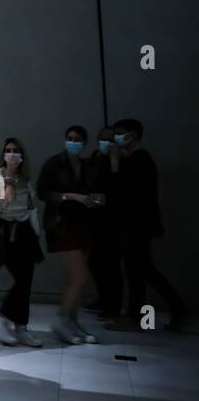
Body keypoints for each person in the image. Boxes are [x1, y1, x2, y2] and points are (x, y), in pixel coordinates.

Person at [106, 118, 187, 332]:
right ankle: (140, 317)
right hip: (135, 225)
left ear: (132, 134)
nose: (116, 137)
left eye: (120, 133)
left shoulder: (139, 160)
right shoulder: (136, 160)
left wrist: (115, 165)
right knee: (139, 272)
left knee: (140, 271)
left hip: (135, 225)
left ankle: (173, 310)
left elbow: (124, 193)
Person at [37, 125, 102, 345]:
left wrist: (92, 200)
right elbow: (43, 192)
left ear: (84, 143)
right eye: (70, 138)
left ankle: (72, 321)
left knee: (77, 278)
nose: (73, 142)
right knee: (80, 274)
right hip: (61, 225)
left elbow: (94, 189)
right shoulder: (54, 164)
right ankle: (62, 320)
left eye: (77, 139)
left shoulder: (88, 165)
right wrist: (71, 196)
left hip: (84, 224)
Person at [0, 138, 44, 347]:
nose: (12, 154)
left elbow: (32, 204)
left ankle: (21, 328)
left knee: (27, 281)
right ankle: (1, 317)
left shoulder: (25, 177)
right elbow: (1, 204)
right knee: (21, 280)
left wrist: (37, 229)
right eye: (8, 151)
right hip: (6, 231)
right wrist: (9, 176)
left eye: (16, 151)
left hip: (25, 231)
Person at [86, 126, 124, 318]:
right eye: (102, 139)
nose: (105, 143)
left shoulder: (120, 160)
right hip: (95, 216)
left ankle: (113, 306)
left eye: (109, 139)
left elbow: (118, 189)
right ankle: (103, 299)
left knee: (111, 263)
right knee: (95, 261)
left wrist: (115, 161)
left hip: (112, 218)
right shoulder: (96, 157)